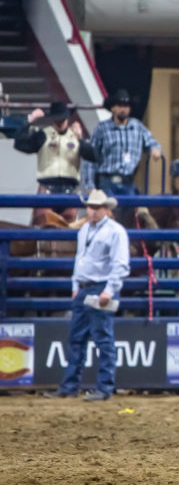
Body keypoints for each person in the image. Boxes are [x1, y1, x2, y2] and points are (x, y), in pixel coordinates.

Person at [43, 190, 130, 402]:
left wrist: (109, 290)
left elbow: (120, 264)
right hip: (85, 288)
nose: (92, 211)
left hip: (100, 287)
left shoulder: (115, 232)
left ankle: (103, 387)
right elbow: (79, 259)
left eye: (97, 207)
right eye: (90, 207)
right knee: (77, 338)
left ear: (106, 209)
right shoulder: (84, 231)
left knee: (102, 339)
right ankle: (71, 386)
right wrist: (75, 285)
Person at [14, 101, 97, 222]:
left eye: (62, 120)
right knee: (42, 224)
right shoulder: (43, 135)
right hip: (47, 188)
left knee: (69, 228)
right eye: (57, 120)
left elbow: (94, 156)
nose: (59, 123)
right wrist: (29, 120)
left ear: (67, 119)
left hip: (70, 189)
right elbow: (20, 144)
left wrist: (80, 140)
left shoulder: (75, 137)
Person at [84, 89, 162, 195]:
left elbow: (152, 142)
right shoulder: (102, 128)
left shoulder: (137, 127)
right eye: (120, 105)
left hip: (128, 181)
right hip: (106, 181)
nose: (123, 109)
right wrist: (90, 185)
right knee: (107, 209)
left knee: (133, 208)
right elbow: (90, 156)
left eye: (126, 105)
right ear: (113, 108)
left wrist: (155, 149)